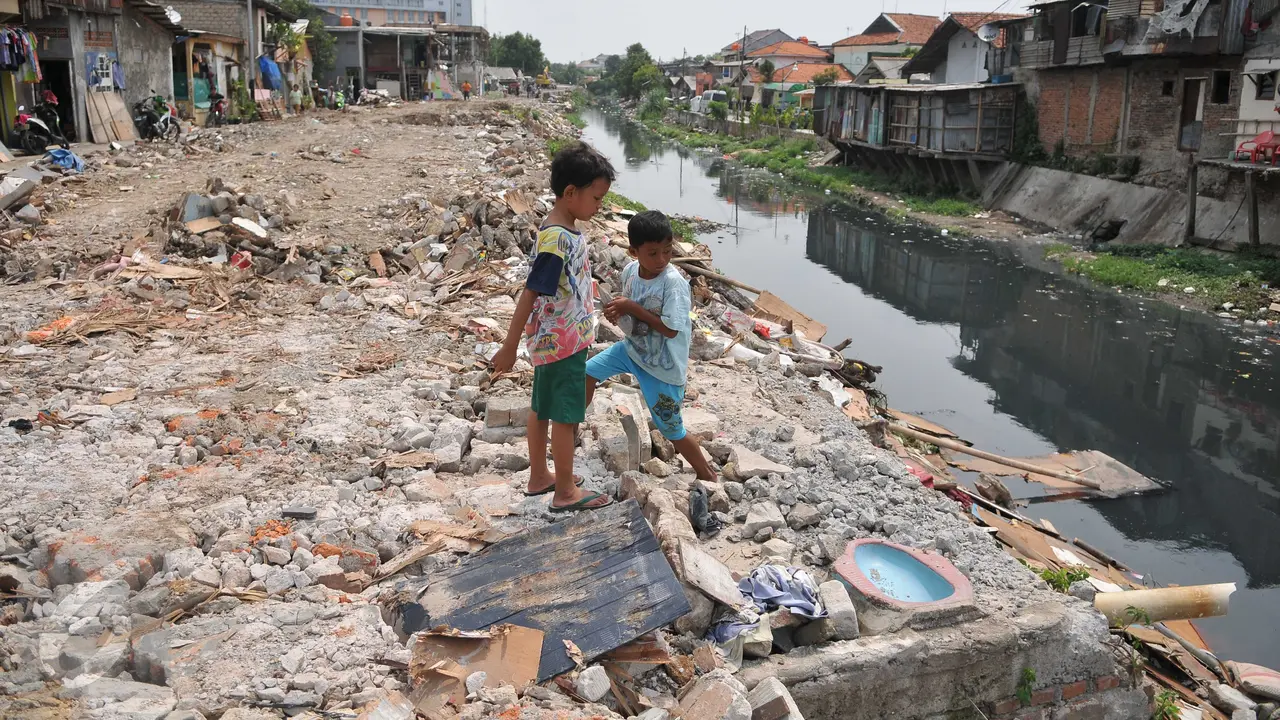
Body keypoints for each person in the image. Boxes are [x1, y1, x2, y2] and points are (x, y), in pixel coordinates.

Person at [492, 142, 616, 512]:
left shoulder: (561, 227)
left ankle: (539, 476)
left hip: (552, 338)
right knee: (565, 413)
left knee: (542, 406)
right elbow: (530, 293)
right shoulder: (557, 239)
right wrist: (509, 345)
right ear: (570, 193)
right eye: (596, 198)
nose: (599, 206)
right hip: (563, 341)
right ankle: (565, 492)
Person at [586, 211, 718, 484]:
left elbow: (671, 329)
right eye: (653, 253)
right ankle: (574, 425)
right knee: (585, 373)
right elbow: (632, 314)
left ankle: (707, 474)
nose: (661, 260)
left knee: (671, 429)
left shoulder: (674, 284)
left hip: (663, 367)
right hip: (632, 350)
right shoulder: (630, 272)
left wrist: (630, 307)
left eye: (667, 252)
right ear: (634, 252)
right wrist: (618, 314)